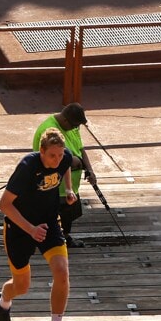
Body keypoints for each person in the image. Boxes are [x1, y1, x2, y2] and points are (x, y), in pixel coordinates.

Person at [0, 127, 79, 321]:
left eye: (60, 154)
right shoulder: (27, 168)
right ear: (41, 151)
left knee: (62, 272)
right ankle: (3, 302)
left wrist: (69, 189)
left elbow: (67, 166)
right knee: (21, 286)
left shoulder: (64, 158)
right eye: (52, 155)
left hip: (49, 222)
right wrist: (30, 229)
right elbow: (4, 205)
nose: (57, 159)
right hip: (20, 227)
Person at [32, 102, 96, 247]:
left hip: (71, 185)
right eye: (74, 125)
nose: (75, 128)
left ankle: (65, 238)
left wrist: (89, 169)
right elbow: (59, 159)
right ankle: (50, 242)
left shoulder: (73, 126)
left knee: (68, 214)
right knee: (52, 216)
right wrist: (78, 163)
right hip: (53, 184)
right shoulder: (50, 131)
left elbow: (80, 148)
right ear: (66, 120)